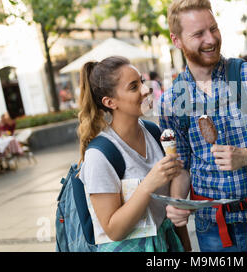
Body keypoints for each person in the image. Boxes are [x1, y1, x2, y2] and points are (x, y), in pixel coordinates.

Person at [159, 0, 247, 252]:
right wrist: (178, 204)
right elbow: (183, 165)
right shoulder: (171, 100)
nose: (210, 39)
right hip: (212, 231)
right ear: (176, 41)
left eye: (213, 28)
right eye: (198, 34)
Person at [77, 56, 185, 252]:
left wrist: (186, 246)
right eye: (134, 87)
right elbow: (113, 230)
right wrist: (148, 185)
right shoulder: (100, 155)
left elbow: (172, 203)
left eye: (142, 82)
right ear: (110, 102)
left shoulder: (154, 132)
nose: (146, 90)